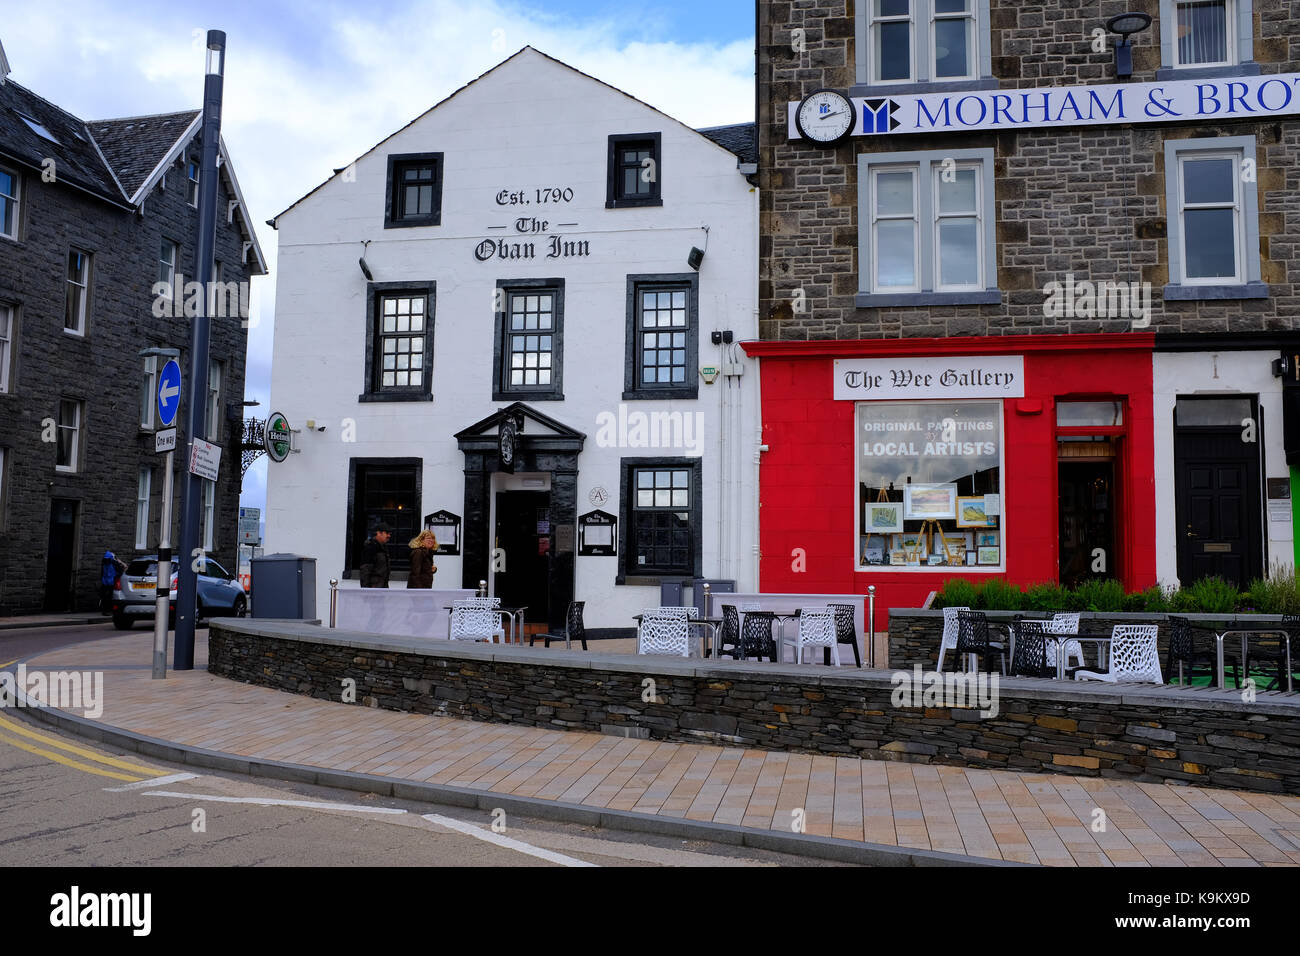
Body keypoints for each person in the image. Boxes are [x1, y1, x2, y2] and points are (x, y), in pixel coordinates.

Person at [359, 522, 393, 588]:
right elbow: (365, 570)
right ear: (378, 533)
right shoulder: (370, 547)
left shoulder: (384, 547)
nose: (389, 536)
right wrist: (366, 590)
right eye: (387, 533)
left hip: (382, 587)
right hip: (373, 589)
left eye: (389, 534)